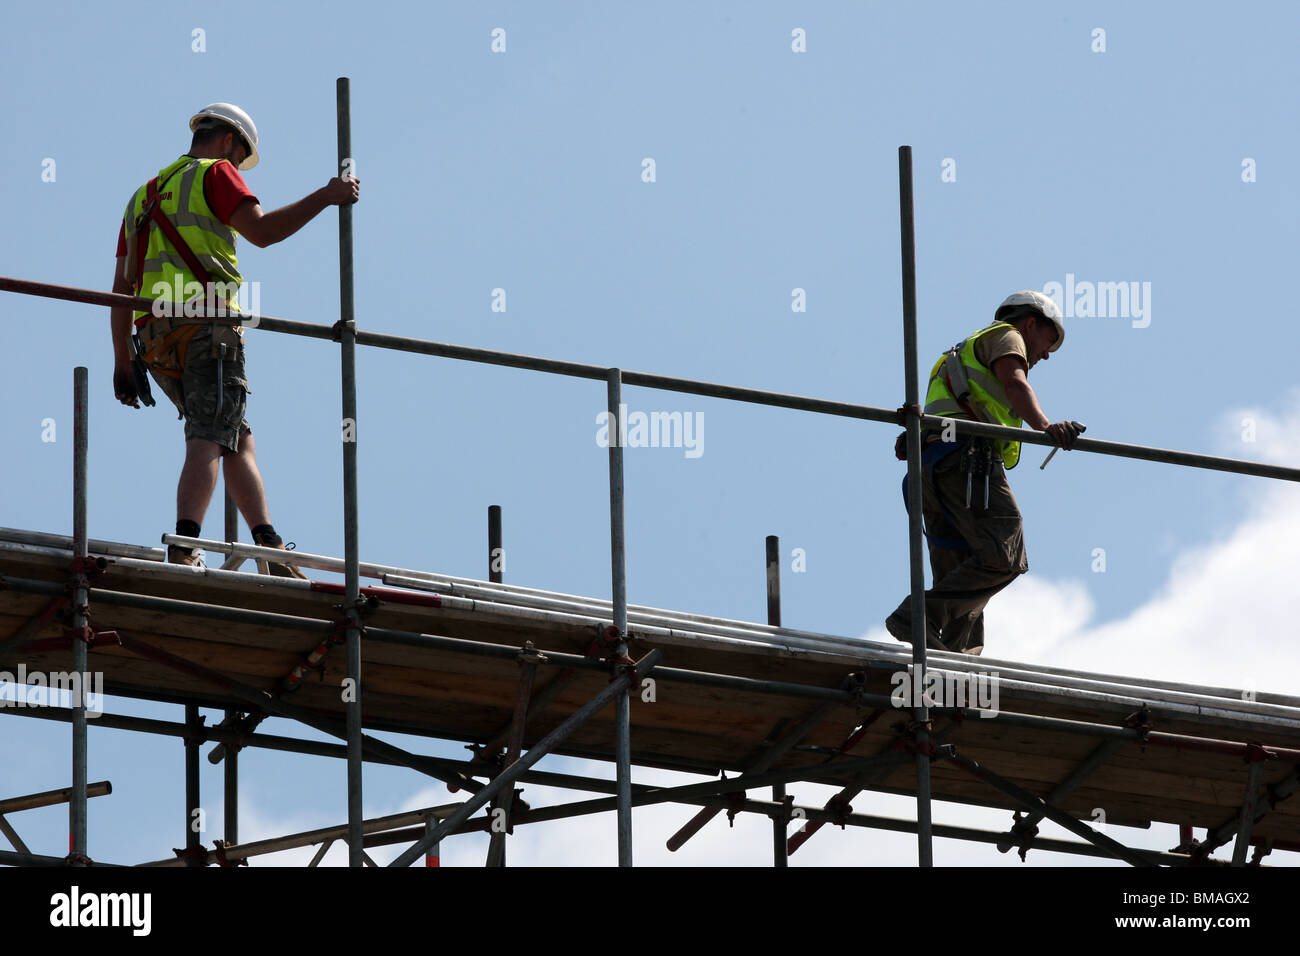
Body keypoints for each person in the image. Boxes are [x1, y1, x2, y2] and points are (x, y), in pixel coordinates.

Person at [108, 103, 360, 574]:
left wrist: (123, 361)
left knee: (234, 435)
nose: (239, 166)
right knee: (207, 434)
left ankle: (268, 545)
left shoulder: (143, 196)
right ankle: (184, 544)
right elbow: (263, 232)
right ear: (227, 141)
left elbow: (121, 291)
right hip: (208, 326)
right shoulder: (217, 173)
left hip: (158, 341)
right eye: (241, 156)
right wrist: (326, 197)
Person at [885, 290, 1080, 655]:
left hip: (931, 472)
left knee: (962, 578)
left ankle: (955, 668)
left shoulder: (956, 356)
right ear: (1029, 324)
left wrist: (917, 436)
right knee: (1005, 554)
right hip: (967, 464)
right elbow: (1015, 383)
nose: (1045, 354)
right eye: (1047, 341)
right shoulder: (1007, 336)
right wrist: (1045, 426)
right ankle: (917, 614)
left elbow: (943, 413)